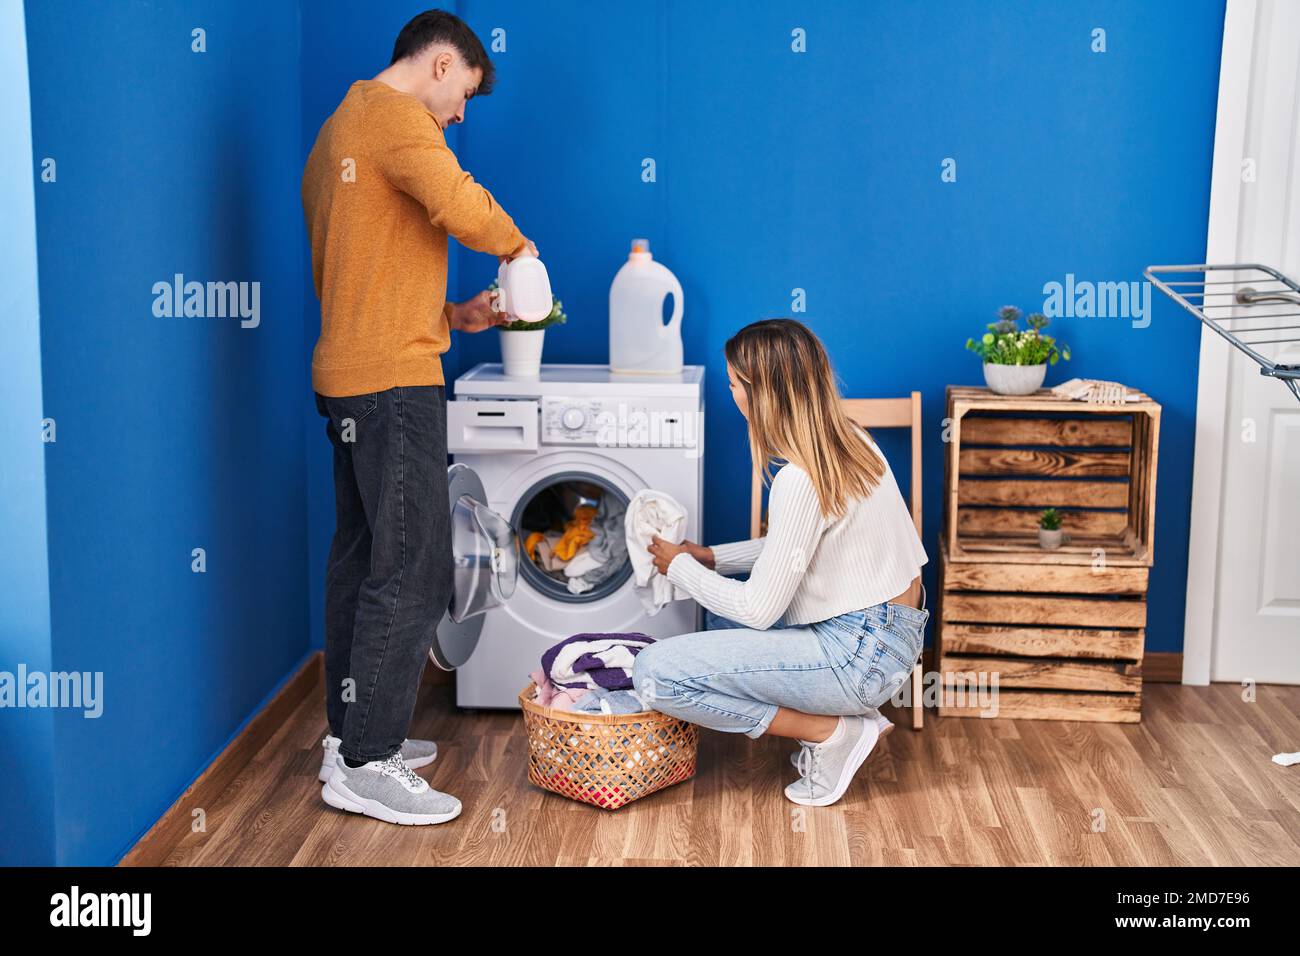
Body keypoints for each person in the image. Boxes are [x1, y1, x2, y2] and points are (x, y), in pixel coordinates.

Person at [302, 9, 535, 826]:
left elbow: (361, 267)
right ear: (439, 64)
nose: (461, 114)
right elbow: (456, 201)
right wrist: (518, 250)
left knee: (363, 556)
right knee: (420, 564)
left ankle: (351, 737)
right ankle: (367, 762)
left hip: (348, 374)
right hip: (393, 386)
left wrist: (452, 315)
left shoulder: (341, 128)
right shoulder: (398, 119)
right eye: (463, 92)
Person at [634, 318, 930, 807]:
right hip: (889, 640)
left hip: (855, 657)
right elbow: (800, 549)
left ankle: (830, 731)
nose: (731, 395)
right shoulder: (853, 443)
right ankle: (844, 720)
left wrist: (680, 569)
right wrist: (709, 557)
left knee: (655, 674)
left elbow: (758, 611)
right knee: (714, 617)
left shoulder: (799, 478)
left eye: (733, 384)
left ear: (760, 393)